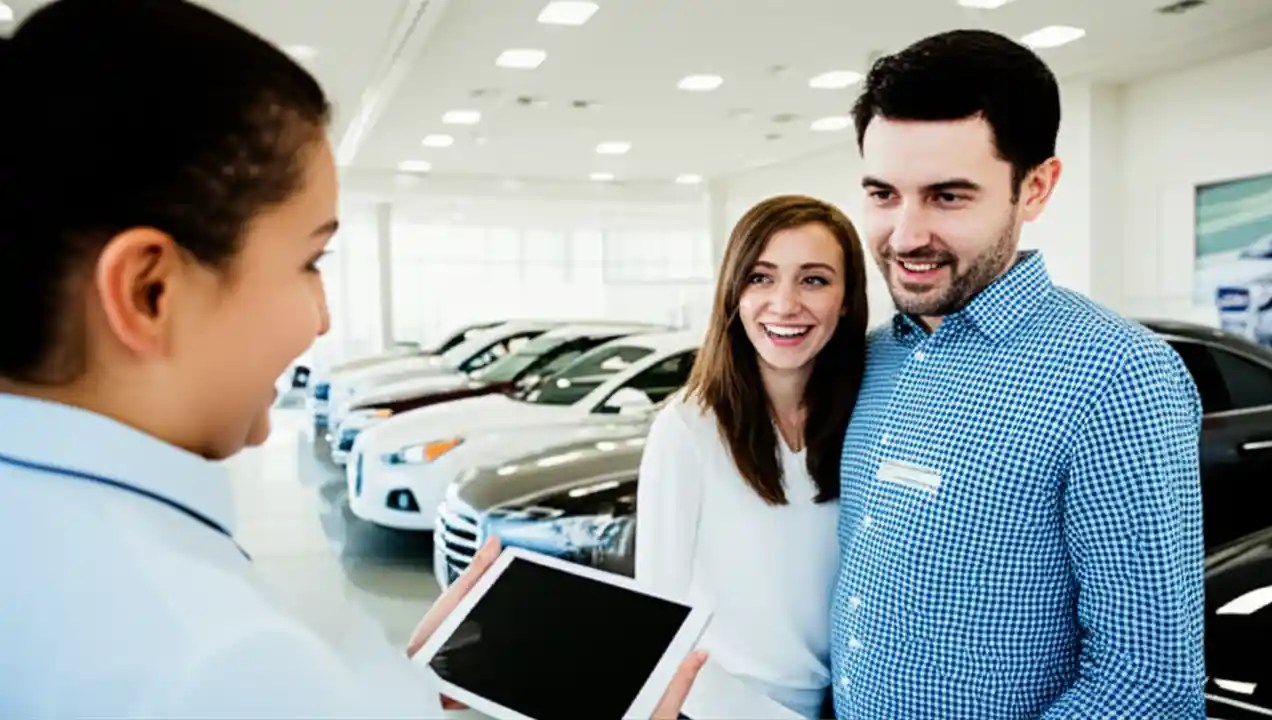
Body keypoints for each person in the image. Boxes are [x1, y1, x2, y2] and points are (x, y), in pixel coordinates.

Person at [0, 1, 703, 717]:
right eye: (310, 260)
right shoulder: (218, 661)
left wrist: (403, 698)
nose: (323, 318)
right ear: (150, 291)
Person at [829, 29, 1205, 719]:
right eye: (883, 194)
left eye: (948, 197)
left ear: (1035, 187)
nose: (905, 235)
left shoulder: (1119, 378)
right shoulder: (874, 357)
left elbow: (1148, 685)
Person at [637, 195, 869, 719]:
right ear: (733, 294)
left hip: (844, 703)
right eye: (761, 278)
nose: (784, 304)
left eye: (814, 280)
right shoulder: (688, 429)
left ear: (848, 299)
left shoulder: (864, 416)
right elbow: (655, 609)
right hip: (723, 706)